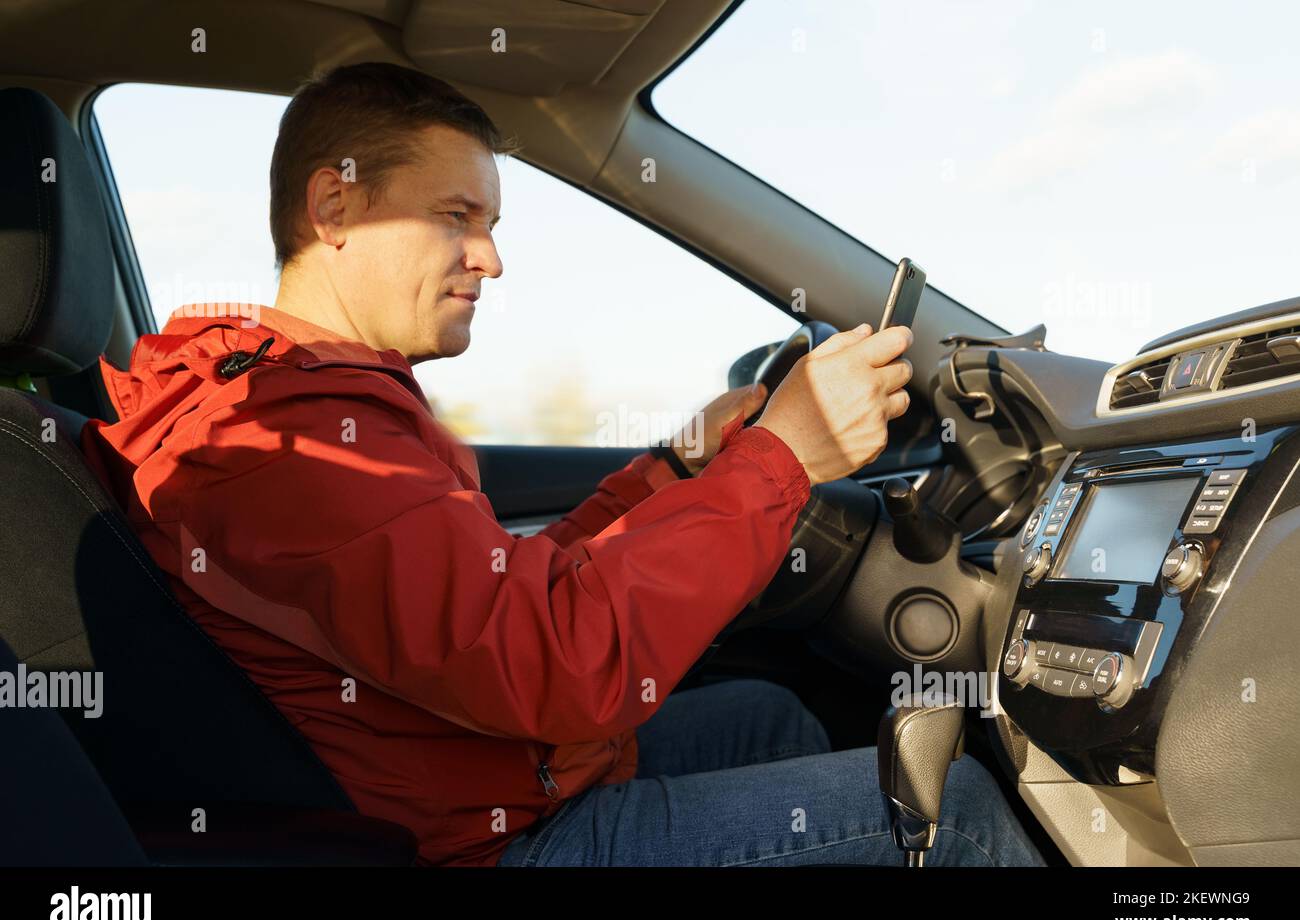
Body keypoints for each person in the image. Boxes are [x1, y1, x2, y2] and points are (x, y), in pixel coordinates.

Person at [82, 62, 1043, 867]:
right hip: (478, 844)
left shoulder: (298, 397)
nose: (490, 259)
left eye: (490, 223)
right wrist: (783, 457)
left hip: (464, 774)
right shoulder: (290, 444)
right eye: (458, 216)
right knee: (952, 809)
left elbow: (500, 599)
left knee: (767, 716)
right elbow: (559, 667)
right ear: (335, 207)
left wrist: (683, 464)